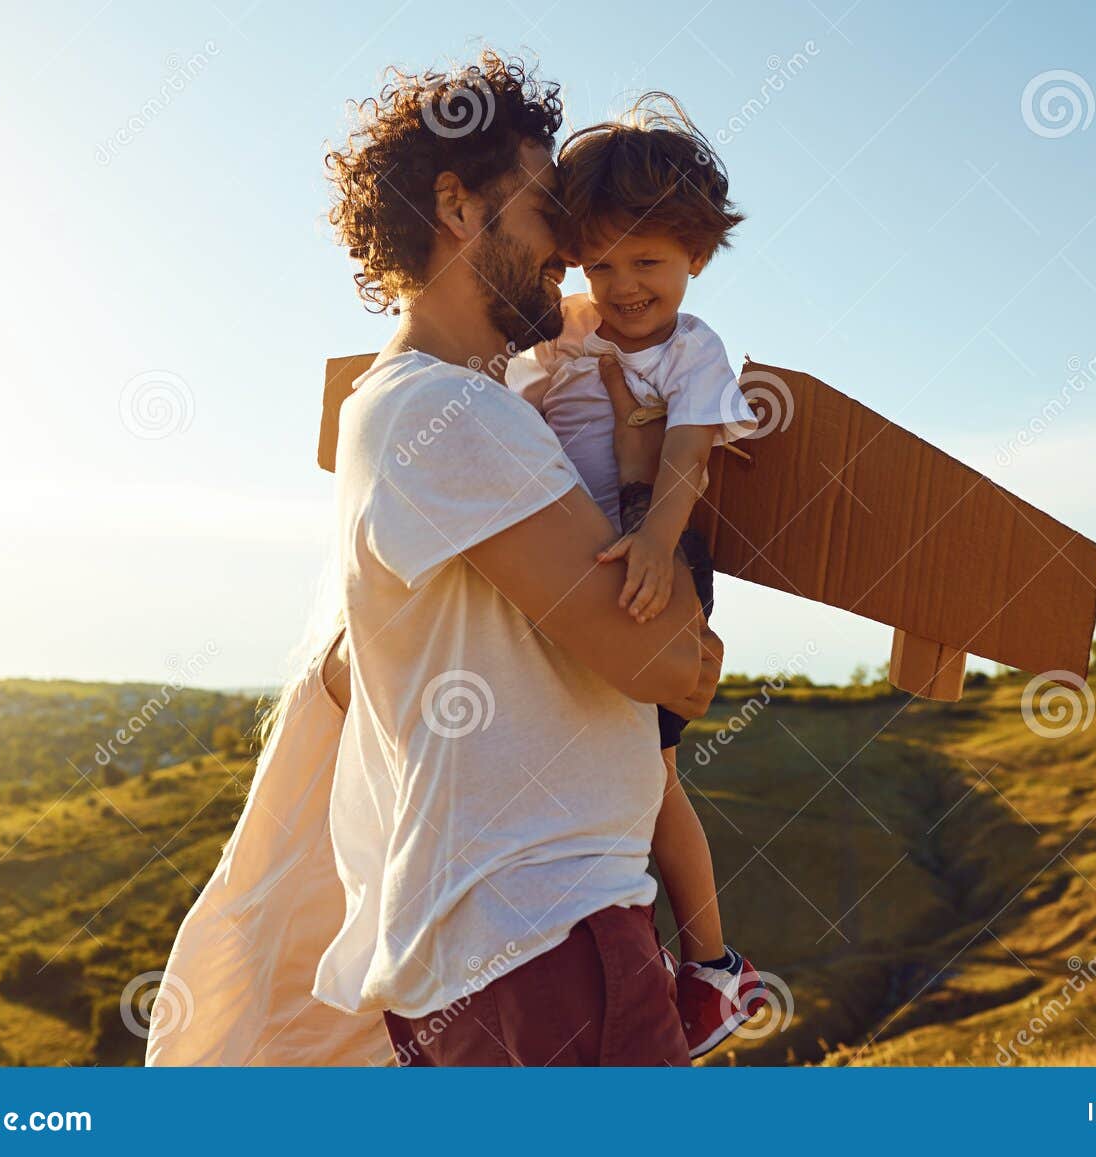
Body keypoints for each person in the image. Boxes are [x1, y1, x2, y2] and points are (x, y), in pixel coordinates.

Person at [309, 52, 724, 1066]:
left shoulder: (391, 404)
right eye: (547, 213)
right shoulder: (455, 416)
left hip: (509, 942)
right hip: (545, 936)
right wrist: (639, 475)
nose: (571, 247)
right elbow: (676, 666)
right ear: (458, 207)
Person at [505, 93, 766, 1058]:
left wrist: (656, 539)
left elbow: (691, 457)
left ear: (697, 256)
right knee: (591, 760)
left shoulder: (692, 350)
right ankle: (638, 958)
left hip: (654, 549)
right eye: (601, 263)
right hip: (570, 558)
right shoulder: (569, 330)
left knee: (647, 772)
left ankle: (711, 966)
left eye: (648, 262)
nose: (622, 287)